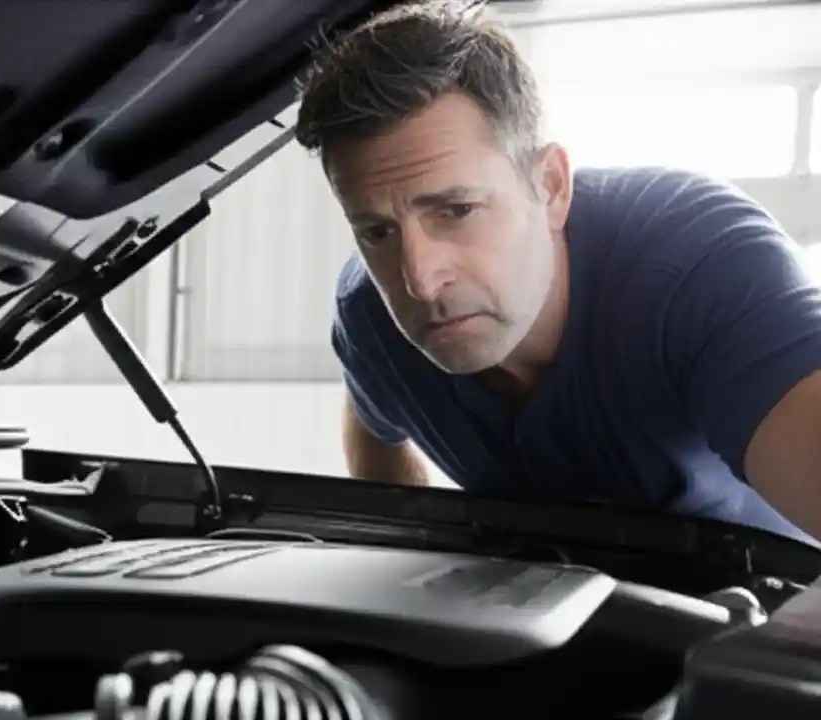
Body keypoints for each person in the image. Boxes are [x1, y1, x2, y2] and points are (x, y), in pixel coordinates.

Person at [292, 0, 821, 545]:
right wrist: (410, 549)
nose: (420, 282)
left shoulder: (702, 264)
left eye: (456, 210)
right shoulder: (370, 315)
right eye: (377, 232)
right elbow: (373, 415)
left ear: (550, 187)